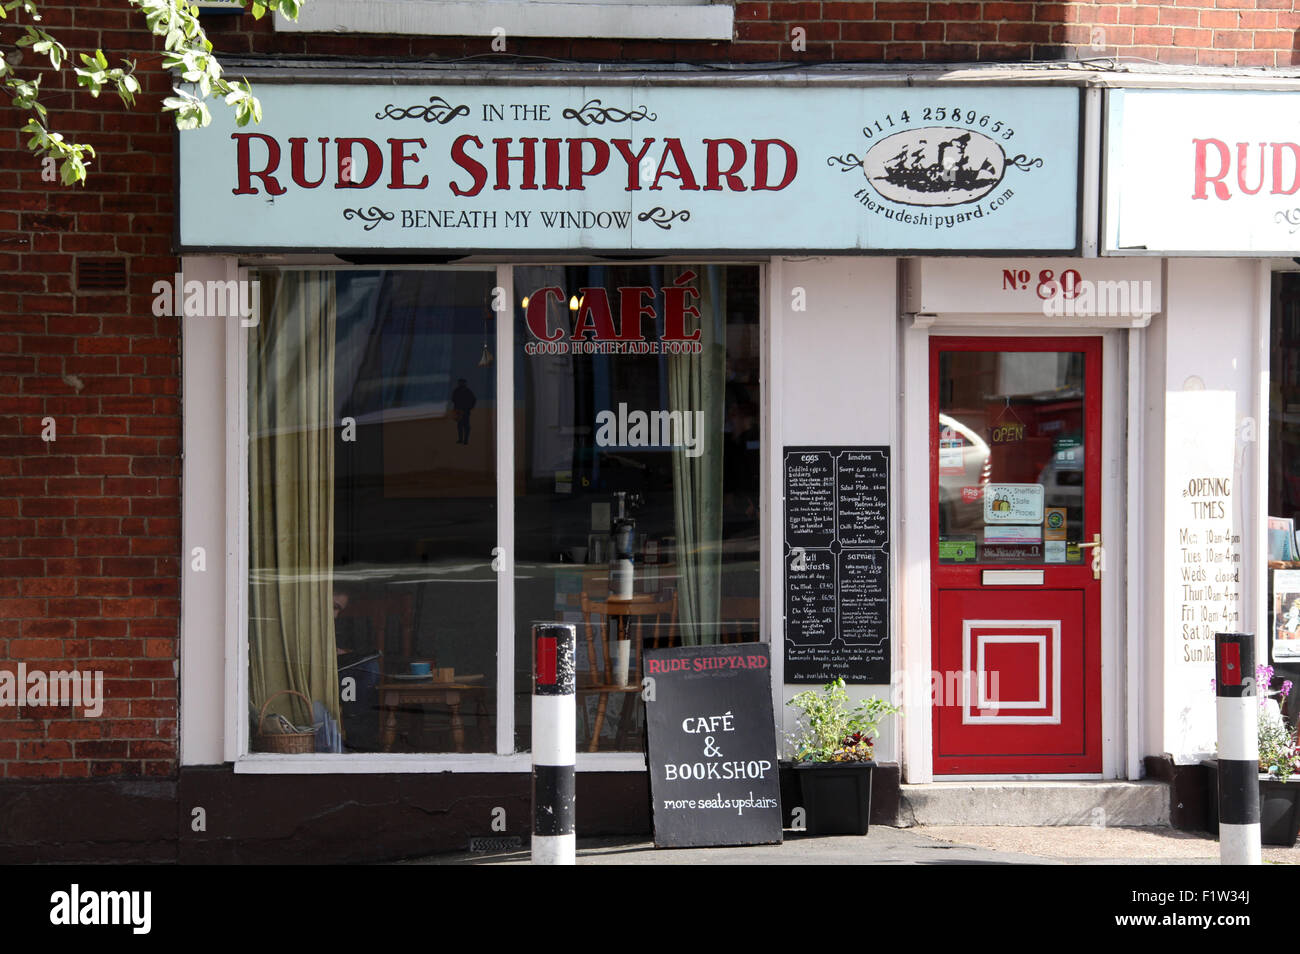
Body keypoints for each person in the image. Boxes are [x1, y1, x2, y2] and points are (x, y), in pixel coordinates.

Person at [451, 378, 476, 445]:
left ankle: (465, 440)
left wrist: (469, 407)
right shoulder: (456, 391)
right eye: (460, 382)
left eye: (462, 383)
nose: (461, 384)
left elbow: (473, 400)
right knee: (460, 426)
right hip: (458, 411)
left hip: (465, 411)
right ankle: (461, 439)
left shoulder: (468, 391)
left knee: (466, 426)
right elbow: (453, 400)